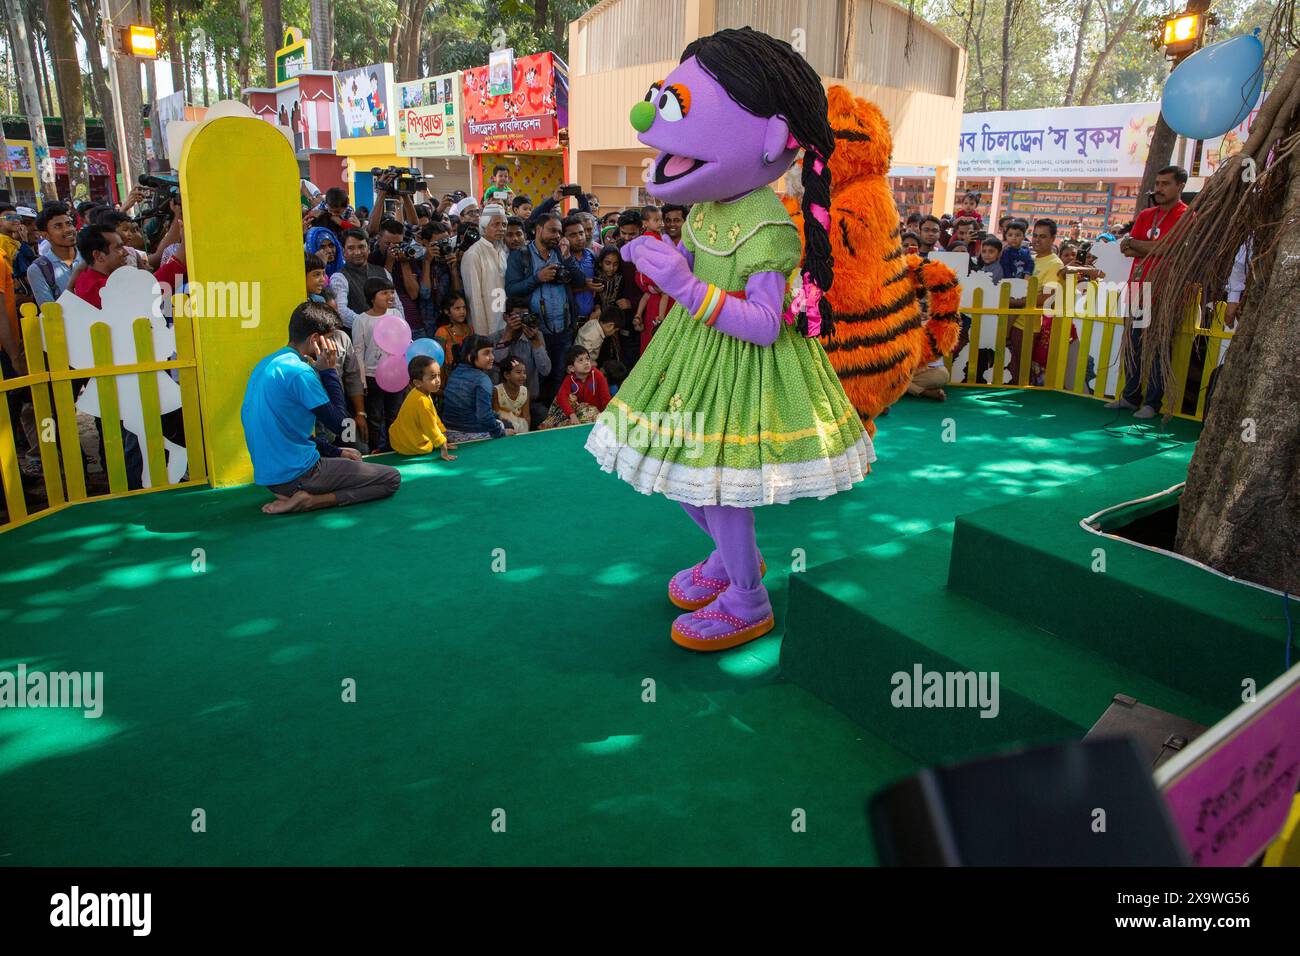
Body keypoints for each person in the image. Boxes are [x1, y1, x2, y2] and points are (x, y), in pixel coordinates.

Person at [587, 27, 870, 651]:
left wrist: (684, 285)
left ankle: (747, 594)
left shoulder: (768, 227)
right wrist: (662, 256)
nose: (652, 118)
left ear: (772, 138)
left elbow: (767, 325)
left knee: (714, 478)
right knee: (670, 472)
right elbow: (689, 260)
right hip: (691, 358)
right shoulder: (711, 206)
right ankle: (728, 559)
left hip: (745, 370)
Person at [241, 301, 401, 514]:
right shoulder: (300, 372)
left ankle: (298, 494)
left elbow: (289, 432)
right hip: (299, 475)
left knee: (351, 458)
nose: (334, 344)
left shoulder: (267, 363)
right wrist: (329, 371)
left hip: (271, 479)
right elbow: (342, 425)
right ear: (316, 340)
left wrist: (336, 451)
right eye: (331, 338)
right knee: (391, 478)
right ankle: (312, 501)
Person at [1105, 164, 1190, 420]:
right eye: (1158, 183)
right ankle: (1130, 397)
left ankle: (1152, 403)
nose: (1159, 188)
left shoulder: (1186, 215)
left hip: (1164, 292)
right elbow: (1126, 248)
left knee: (1156, 347)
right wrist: (1152, 247)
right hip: (1136, 289)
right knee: (1132, 344)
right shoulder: (1146, 215)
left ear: (1180, 187)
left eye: (1165, 184)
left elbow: (1169, 248)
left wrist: (1145, 246)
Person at [504, 214, 586, 405]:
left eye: (559, 232)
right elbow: (511, 290)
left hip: (563, 330)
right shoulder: (521, 256)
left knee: (559, 378)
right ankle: (537, 421)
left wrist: (567, 259)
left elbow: (580, 281)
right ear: (538, 230)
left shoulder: (561, 252)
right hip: (535, 331)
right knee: (536, 380)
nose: (557, 236)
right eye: (552, 230)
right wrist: (537, 277)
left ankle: (555, 419)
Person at [352, 277, 407, 451]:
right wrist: (362, 380)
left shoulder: (396, 314)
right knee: (374, 416)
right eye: (384, 293)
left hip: (396, 375)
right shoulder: (361, 320)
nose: (390, 296)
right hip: (373, 376)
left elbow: (404, 342)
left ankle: (394, 446)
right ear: (372, 297)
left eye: (391, 292)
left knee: (396, 414)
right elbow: (358, 352)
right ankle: (376, 448)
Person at [490, 297, 551, 428]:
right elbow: (495, 366)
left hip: (530, 401)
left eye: (525, 315)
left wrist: (535, 342)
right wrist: (507, 336)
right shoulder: (494, 338)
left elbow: (545, 370)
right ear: (505, 317)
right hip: (502, 404)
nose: (522, 319)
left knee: (545, 418)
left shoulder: (536, 335)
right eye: (517, 316)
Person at [388, 354, 457, 460]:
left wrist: (443, 436)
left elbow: (434, 417)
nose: (438, 380)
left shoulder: (419, 392)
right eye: (433, 377)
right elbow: (431, 428)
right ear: (417, 382)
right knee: (428, 447)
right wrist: (443, 447)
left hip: (398, 437)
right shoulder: (422, 401)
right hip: (408, 445)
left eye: (439, 375)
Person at [441, 334, 507, 440]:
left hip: (447, 432)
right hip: (471, 433)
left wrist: (496, 416)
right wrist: (501, 432)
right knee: (504, 426)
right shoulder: (482, 380)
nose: (492, 357)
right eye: (486, 353)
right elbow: (484, 416)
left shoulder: (455, 372)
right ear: (470, 356)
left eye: (492, 352)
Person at [460, 204, 509, 337]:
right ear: (484, 226)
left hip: (506, 323)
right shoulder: (473, 254)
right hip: (488, 328)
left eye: (504, 225)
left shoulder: (503, 250)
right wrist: (481, 335)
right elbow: (474, 299)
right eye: (496, 224)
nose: (501, 229)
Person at [329, 228, 391, 331]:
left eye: (361, 247)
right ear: (344, 251)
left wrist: (396, 325)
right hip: (358, 340)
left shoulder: (383, 272)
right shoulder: (339, 278)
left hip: (388, 334)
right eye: (351, 248)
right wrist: (372, 326)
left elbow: (396, 305)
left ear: (369, 248)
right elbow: (341, 311)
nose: (357, 252)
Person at [539, 345, 610, 428]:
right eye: (581, 360)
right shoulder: (569, 379)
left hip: (593, 413)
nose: (586, 362)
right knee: (565, 398)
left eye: (587, 358)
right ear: (571, 368)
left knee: (591, 414)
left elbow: (606, 398)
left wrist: (608, 417)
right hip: (574, 413)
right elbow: (561, 397)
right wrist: (572, 415)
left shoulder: (597, 375)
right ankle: (554, 425)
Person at [27, 203, 79, 306]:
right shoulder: (39, 269)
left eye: (69, 223)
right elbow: (50, 312)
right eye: (58, 226)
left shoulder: (91, 257)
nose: (68, 230)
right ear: (45, 235)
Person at [563, 213, 600, 323]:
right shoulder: (560, 259)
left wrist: (598, 308)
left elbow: (598, 285)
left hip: (591, 319)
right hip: (569, 322)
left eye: (581, 233)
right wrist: (585, 287)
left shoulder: (591, 255)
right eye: (573, 235)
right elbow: (559, 290)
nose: (579, 238)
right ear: (563, 238)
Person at [493, 355, 531, 434]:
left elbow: (526, 416)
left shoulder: (525, 392)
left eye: (524, 372)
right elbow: (496, 414)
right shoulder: (496, 391)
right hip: (504, 426)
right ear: (507, 375)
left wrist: (525, 433)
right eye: (518, 372)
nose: (523, 375)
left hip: (519, 425)